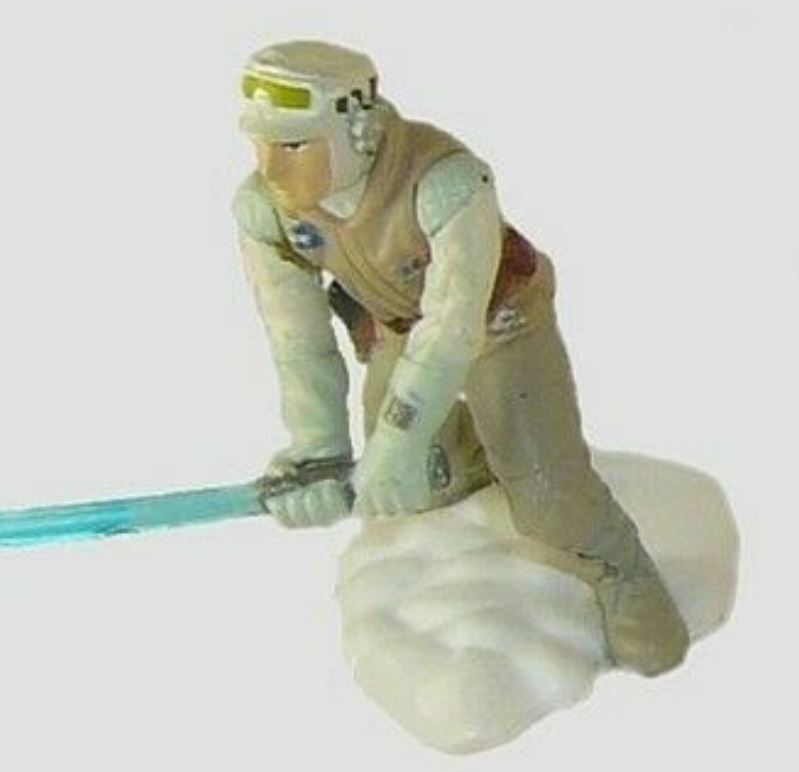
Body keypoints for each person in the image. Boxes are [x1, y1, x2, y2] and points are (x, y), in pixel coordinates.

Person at [233, 40, 689, 676]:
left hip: (502, 324)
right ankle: (487, 455)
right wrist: (319, 452)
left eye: (293, 146)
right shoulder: (263, 210)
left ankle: (622, 571)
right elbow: (297, 337)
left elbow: (453, 327)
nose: (271, 169)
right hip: (401, 330)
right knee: (419, 486)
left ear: (356, 127)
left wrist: (395, 444)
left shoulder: (444, 180)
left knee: (550, 500)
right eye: (260, 145)